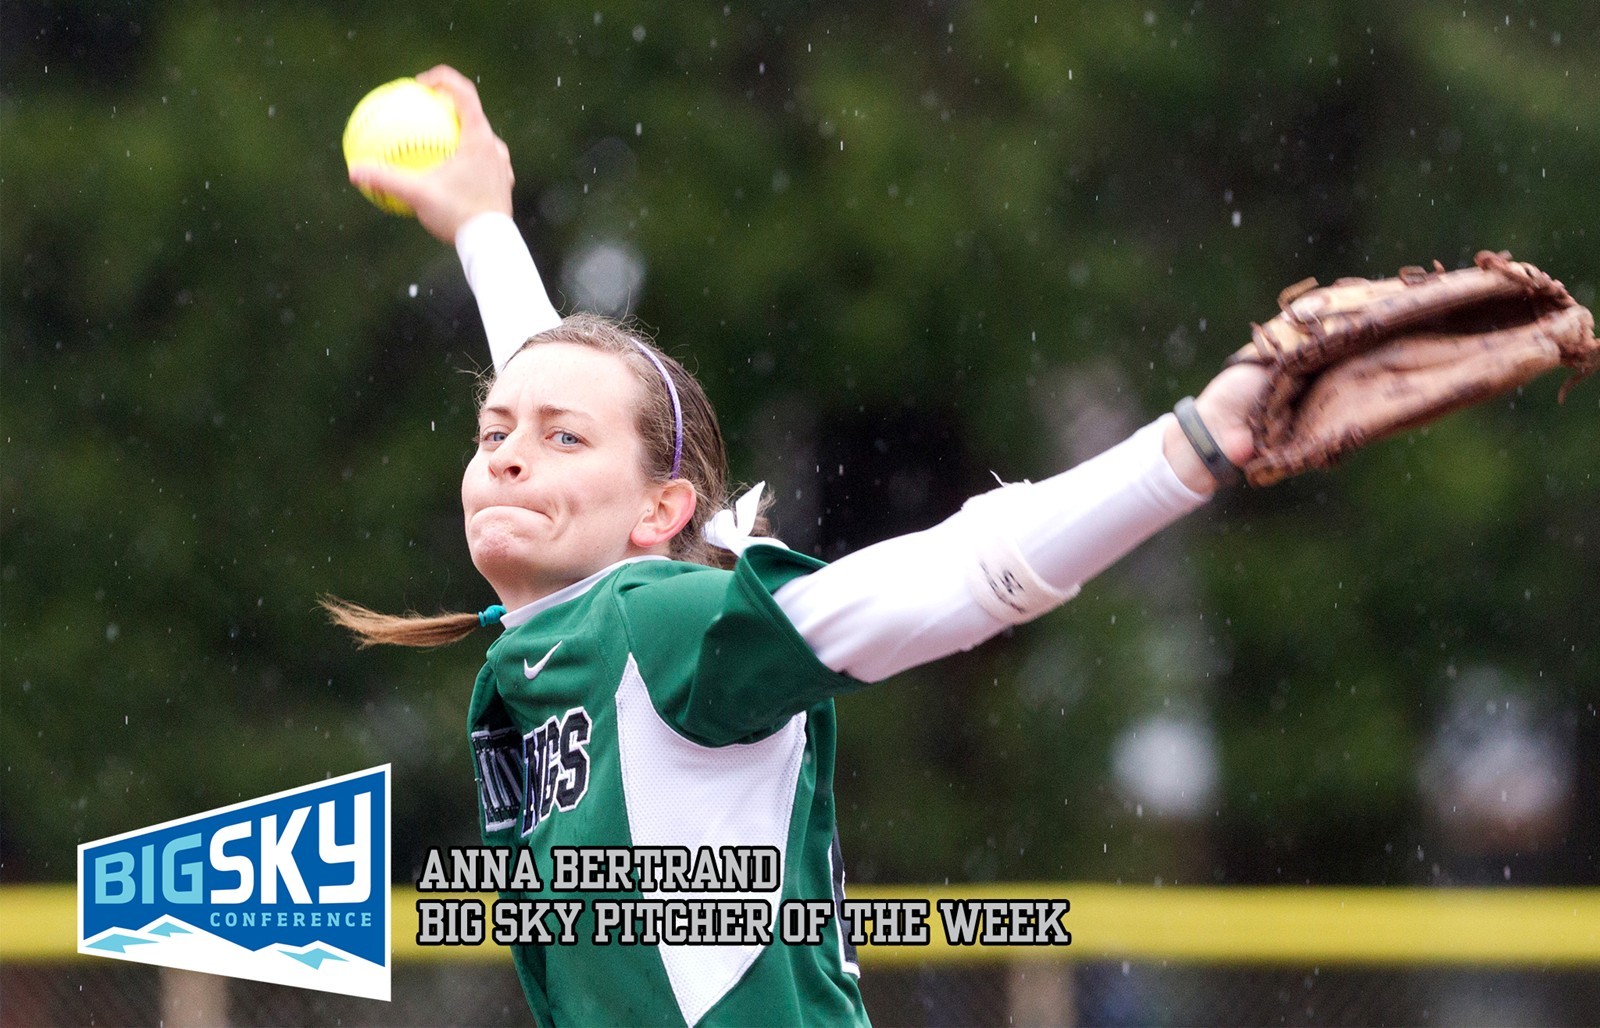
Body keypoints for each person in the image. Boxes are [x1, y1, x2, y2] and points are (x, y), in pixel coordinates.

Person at [331, 65, 1269, 1027]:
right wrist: (485, 226)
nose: (507, 457)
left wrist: (1191, 449)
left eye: (561, 439)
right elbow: (558, 411)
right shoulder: (564, 640)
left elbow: (944, 577)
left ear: (664, 512)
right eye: (491, 434)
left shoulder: (667, 626)